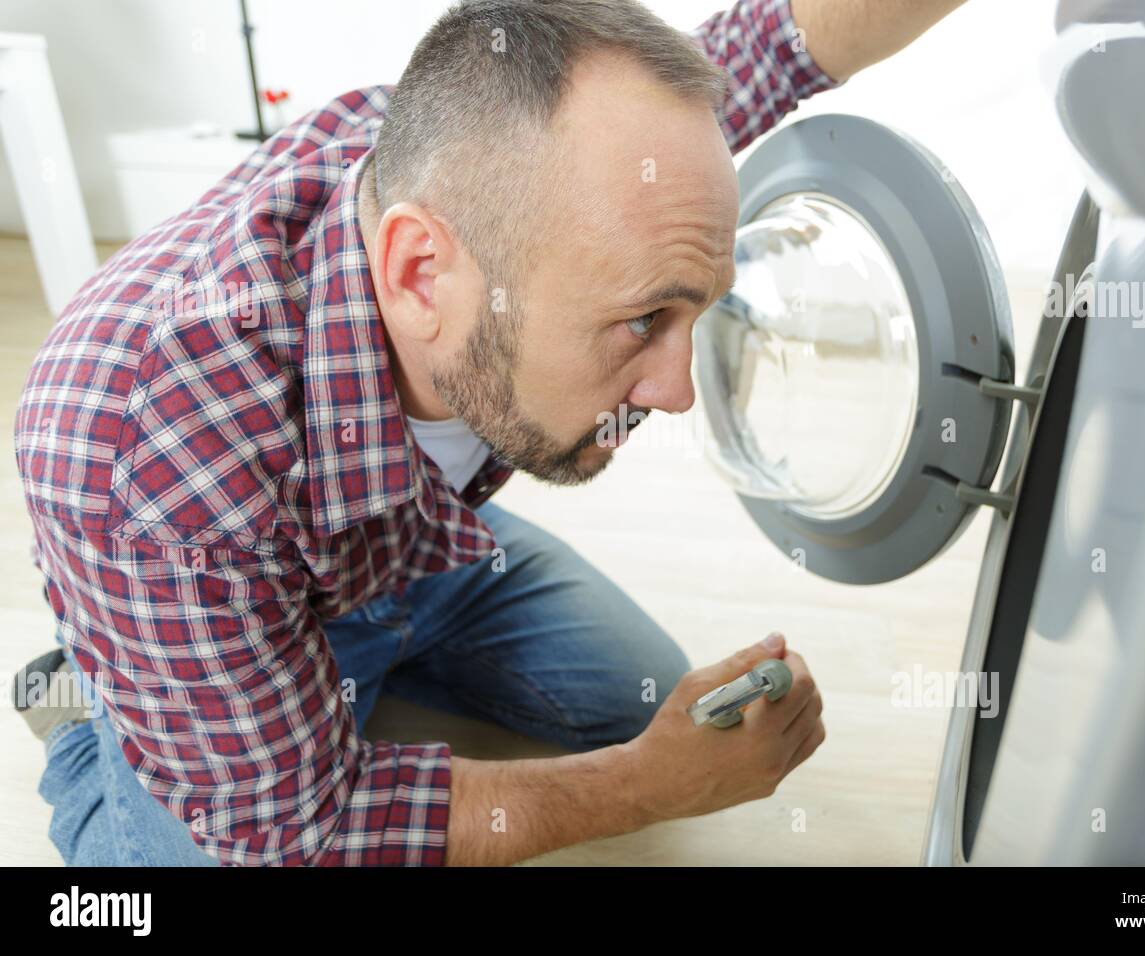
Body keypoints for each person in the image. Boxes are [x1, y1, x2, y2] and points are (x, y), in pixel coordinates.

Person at [11, 0, 966, 866]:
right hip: (213, 574)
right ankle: (93, 709)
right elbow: (303, 831)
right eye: (643, 321)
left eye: (697, 315)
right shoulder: (151, 472)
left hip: (391, 538)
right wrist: (647, 787)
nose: (677, 392)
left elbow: (757, 52)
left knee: (641, 692)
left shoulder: (490, 162)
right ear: (422, 275)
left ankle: (334, 675)